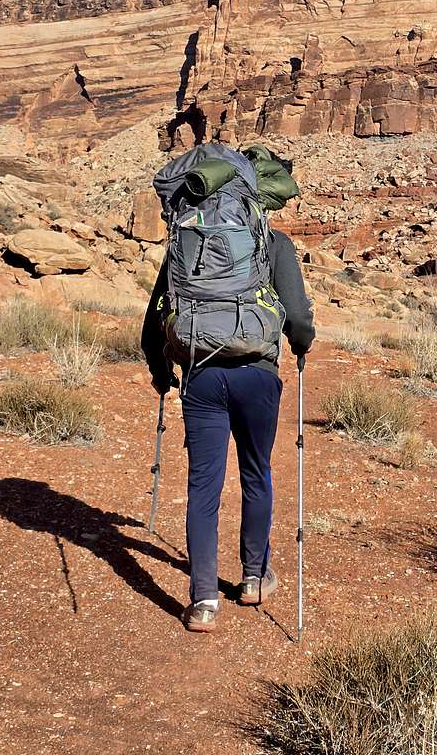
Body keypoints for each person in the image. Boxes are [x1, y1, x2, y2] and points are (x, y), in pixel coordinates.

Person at [141, 222, 315, 633]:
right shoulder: (274, 241)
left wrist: (161, 368)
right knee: (256, 474)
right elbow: (299, 320)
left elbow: (156, 317)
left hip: (201, 376)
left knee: (203, 487)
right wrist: (301, 344)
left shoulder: (188, 241)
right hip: (257, 376)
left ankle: (203, 602)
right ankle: (254, 579)